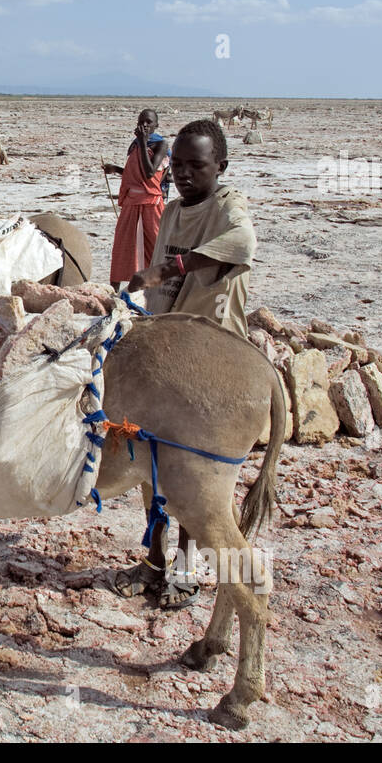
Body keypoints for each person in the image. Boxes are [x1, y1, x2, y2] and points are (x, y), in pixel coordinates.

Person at [113, 118, 258, 608]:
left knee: (191, 479)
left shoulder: (227, 207)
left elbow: (242, 245)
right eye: (177, 165)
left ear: (221, 165)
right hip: (169, 358)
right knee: (150, 465)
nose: (185, 173)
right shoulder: (172, 211)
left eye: (197, 165)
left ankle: (185, 568)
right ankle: (152, 559)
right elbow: (158, 280)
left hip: (212, 363)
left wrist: (174, 266)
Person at [106, 108, 169, 290]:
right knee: (123, 245)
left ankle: (161, 287)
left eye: (149, 122)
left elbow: (149, 173)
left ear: (156, 125)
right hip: (132, 203)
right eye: (142, 121)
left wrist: (143, 143)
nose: (145, 125)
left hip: (151, 204)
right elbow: (135, 175)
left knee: (157, 246)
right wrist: (115, 169)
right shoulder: (134, 146)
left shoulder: (160, 145)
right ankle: (113, 292)